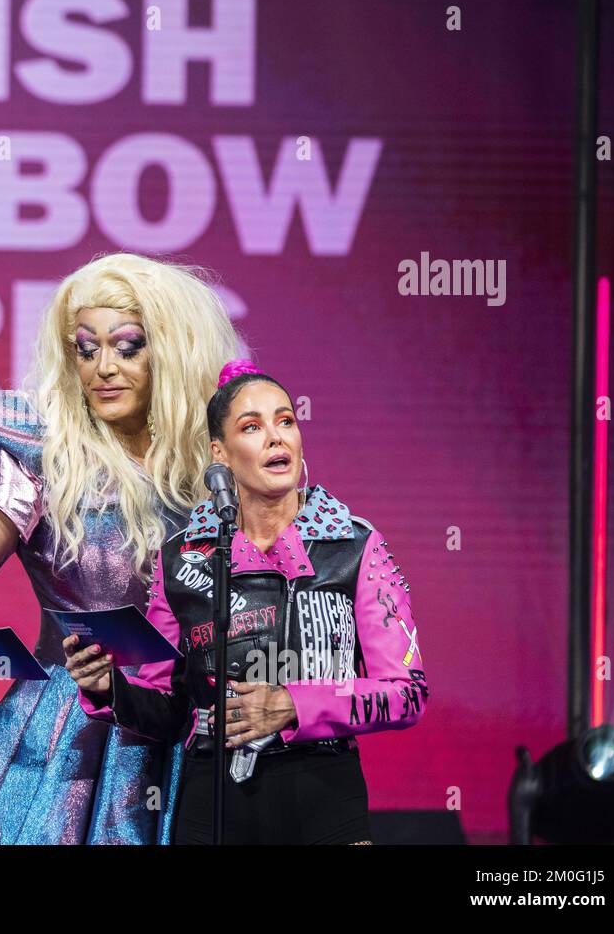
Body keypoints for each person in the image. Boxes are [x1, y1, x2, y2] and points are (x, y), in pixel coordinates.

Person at [0, 253, 240, 844]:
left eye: (127, 347)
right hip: (68, 731)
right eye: (86, 350)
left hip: (198, 725)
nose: (102, 368)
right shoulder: (41, 454)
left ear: (172, 353)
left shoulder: (218, 465)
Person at [66, 360, 430, 844]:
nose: (276, 438)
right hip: (212, 803)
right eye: (252, 427)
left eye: (286, 421)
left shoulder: (355, 547)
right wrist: (107, 688)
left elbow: (407, 694)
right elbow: (168, 710)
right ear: (220, 453)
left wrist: (292, 706)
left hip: (324, 799)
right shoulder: (180, 561)